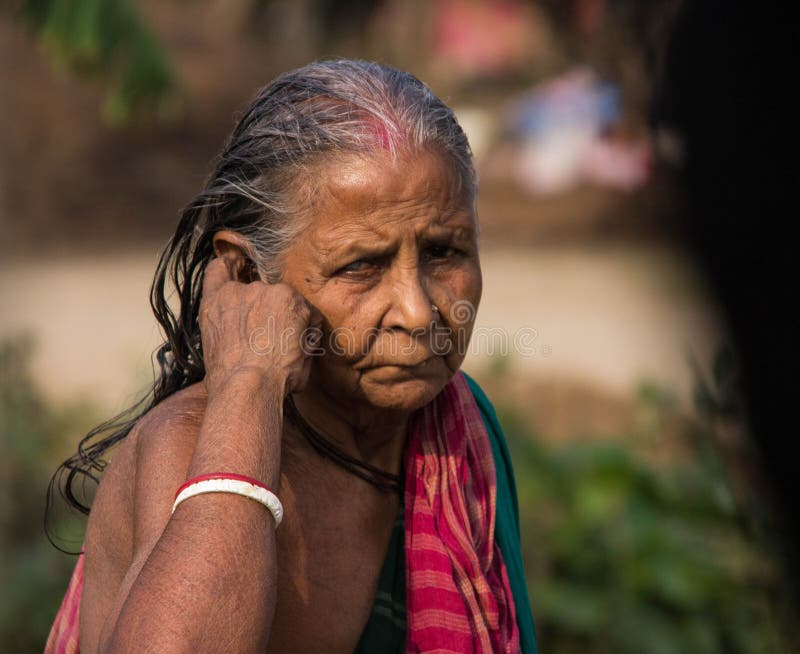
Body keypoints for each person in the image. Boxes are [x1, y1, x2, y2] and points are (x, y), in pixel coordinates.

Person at [46, 59, 537, 653]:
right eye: (361, 265)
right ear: (250, 272)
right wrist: (248, 381)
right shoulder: (194, 447)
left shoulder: (459, 434)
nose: (417, 312)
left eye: (443, 252)